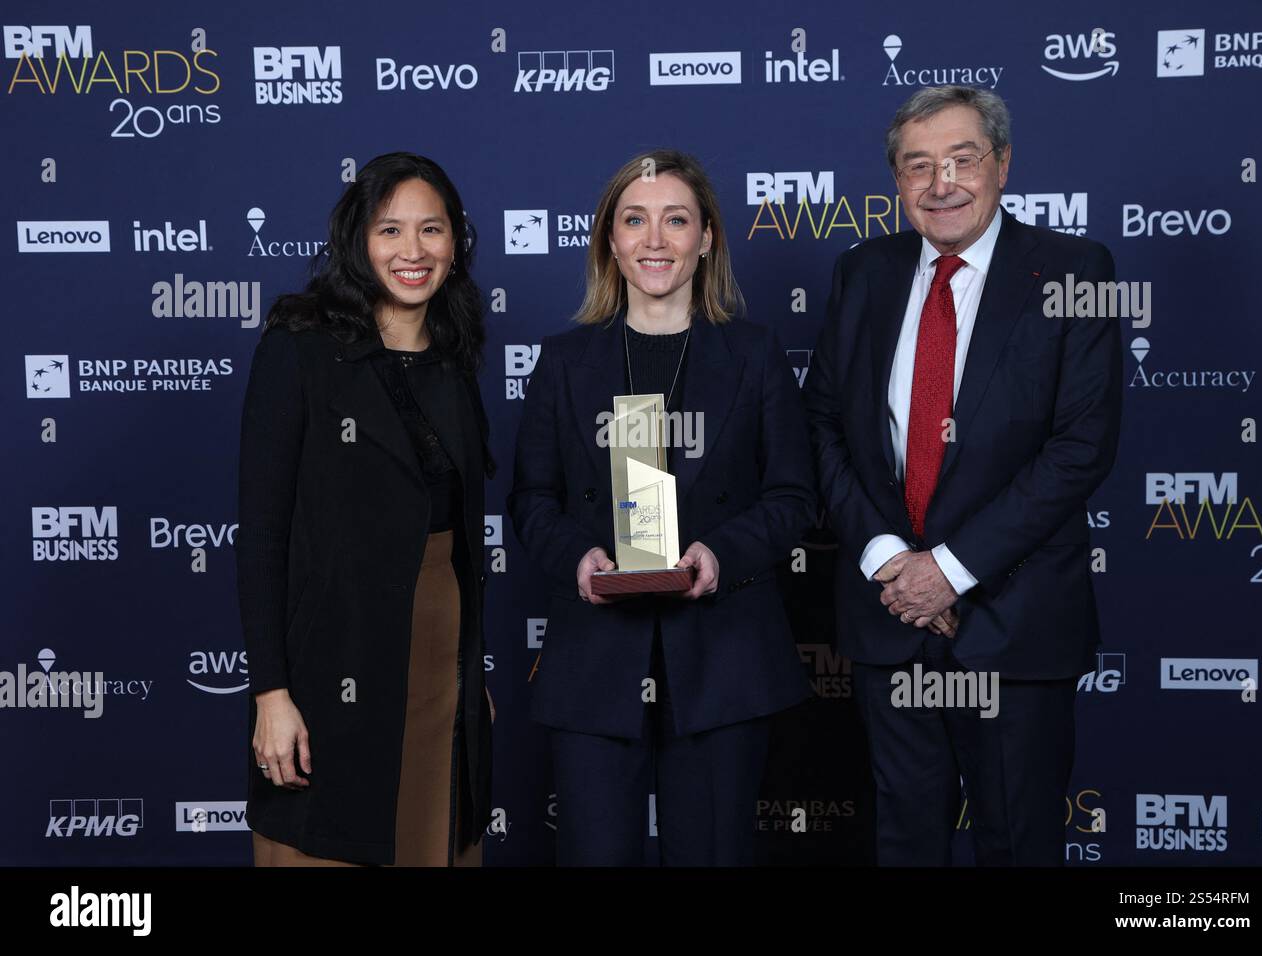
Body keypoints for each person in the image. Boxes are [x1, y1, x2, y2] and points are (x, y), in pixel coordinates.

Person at [804, 86, 1122, 866]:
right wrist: (890, 563)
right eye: (918, 166)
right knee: (904, 842)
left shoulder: (1079, 270)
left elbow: (1081, 448)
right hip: (890, 620)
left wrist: (947, 571)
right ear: (898, 183)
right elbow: (821, 427)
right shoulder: (863, 272)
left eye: (961, 159)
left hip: (1013, 623)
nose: (940, 181)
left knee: (1017, 842)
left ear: (1002, 165)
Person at [508, 149, 814, 865]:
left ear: (706, 237)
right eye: (634, 220)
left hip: (722, 658)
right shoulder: (563, 361)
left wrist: (721, 553)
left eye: (675, 220)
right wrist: (575, 558)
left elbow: (794, 496)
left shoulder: (756, 353)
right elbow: (531, 498)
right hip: (594, 662)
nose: (654, 240)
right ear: (609, 240)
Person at [237, 152, 494, 867]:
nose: (413, 252)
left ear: (455, 243)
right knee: (333, 843)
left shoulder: (456, 357)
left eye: (432, 231)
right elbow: (261, 534)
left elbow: (466, 540)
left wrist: (475, 678)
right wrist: (272, 694)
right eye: (391, 231)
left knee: (434, 838)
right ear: (358, 240)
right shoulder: (300, 351)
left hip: (444, 665)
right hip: (330, 665)